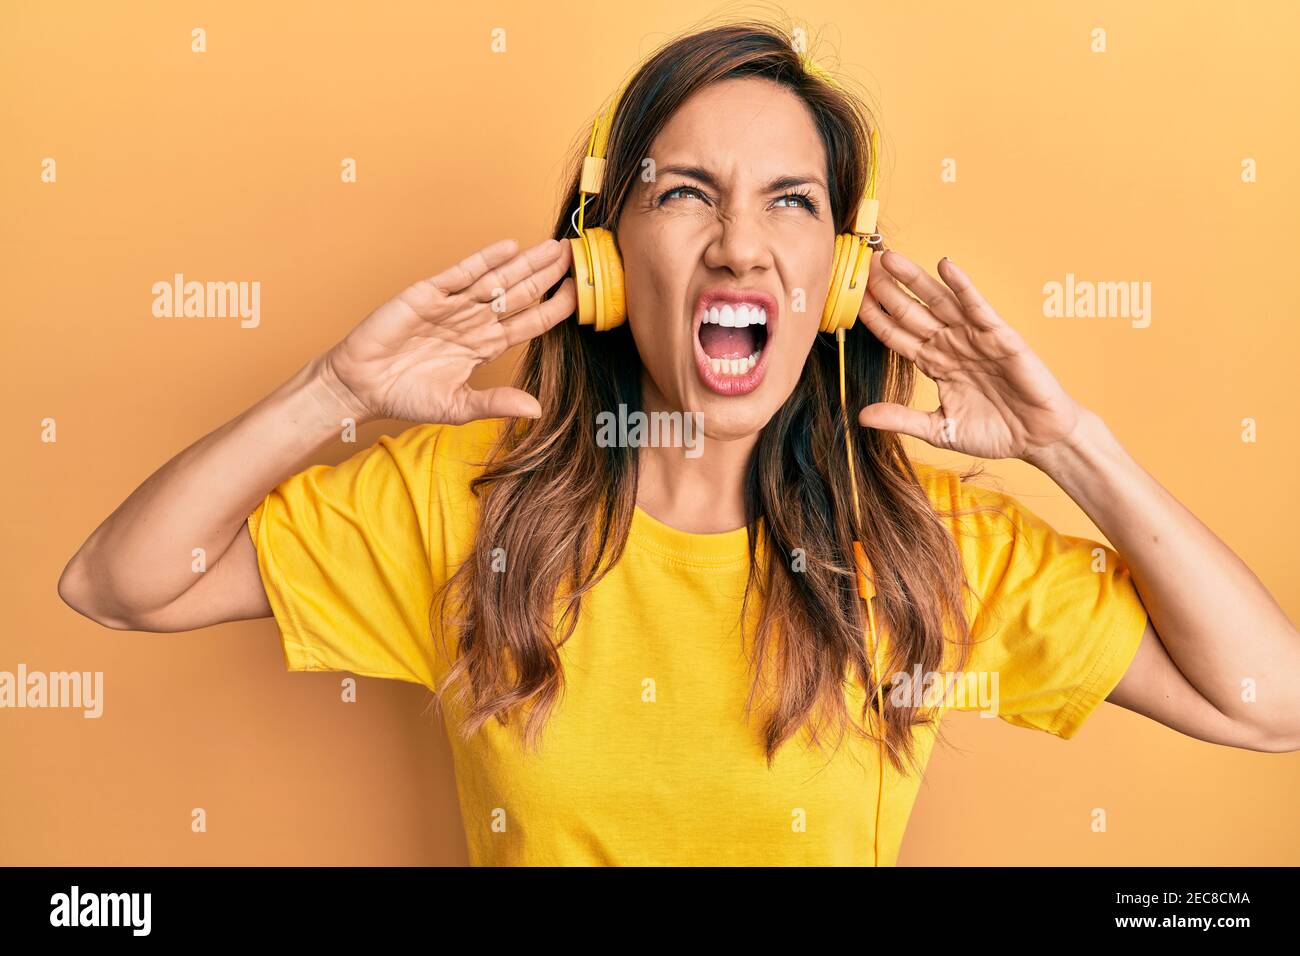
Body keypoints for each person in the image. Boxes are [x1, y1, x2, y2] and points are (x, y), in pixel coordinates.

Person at [57, 20, 1300, 866]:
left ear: (835, 278)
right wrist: (332, 389)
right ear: (604, 261)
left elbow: (1270, 703)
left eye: (790, 204)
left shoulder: (930, 548)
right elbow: (115, 583)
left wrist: (1065, 442)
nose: (739, 246)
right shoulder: (466, 508)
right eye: (685, 193)